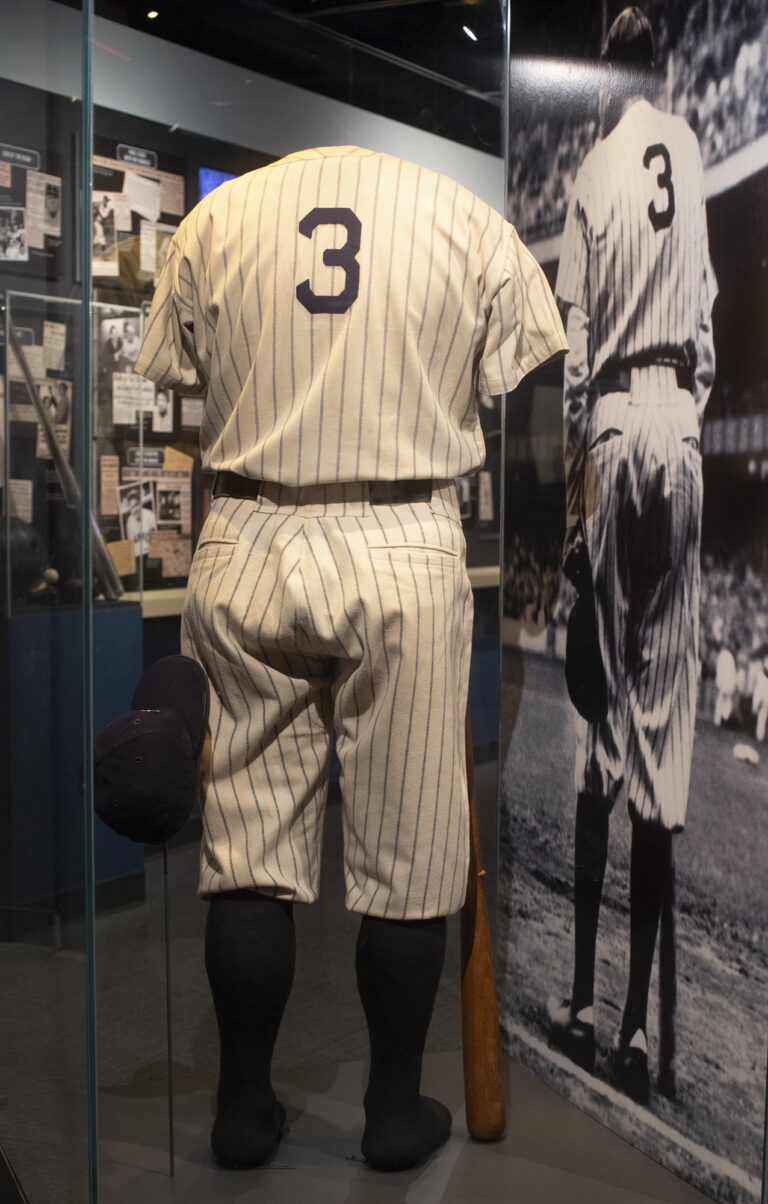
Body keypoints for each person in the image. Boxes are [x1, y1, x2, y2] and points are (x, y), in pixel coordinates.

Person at [136, 144, 567, 1172]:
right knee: (410, 854)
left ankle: (243, 1109)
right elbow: (532, 378)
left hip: (246, 530)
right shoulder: (463, 217)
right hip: (401, 537)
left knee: (245, 847)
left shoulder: (216, 220)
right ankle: (388, 1109)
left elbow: (175, 369)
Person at [547, 7, 717, 1104]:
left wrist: (578, 511)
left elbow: (570, 364)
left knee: (598, 728)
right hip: (679, 430)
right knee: (660, 744)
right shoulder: (694, 151)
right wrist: (684, 422)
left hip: (612, 426)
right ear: (664, 65)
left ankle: (573, 999)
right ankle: (643, 1033)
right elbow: (705, 327)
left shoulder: (594, 165)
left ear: (606, 71)